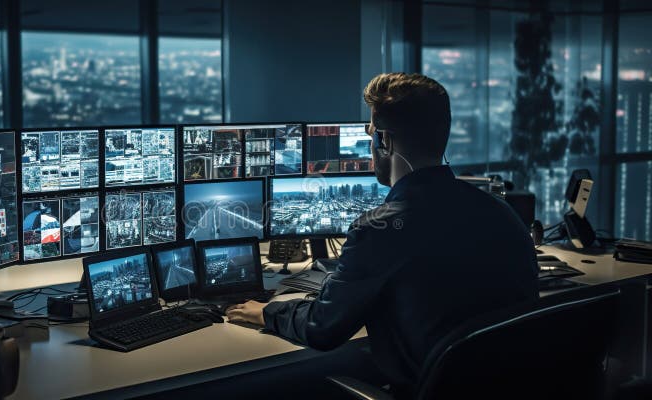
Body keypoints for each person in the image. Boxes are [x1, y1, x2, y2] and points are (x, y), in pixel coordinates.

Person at [227, 73, 539, 396]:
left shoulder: (378, 231)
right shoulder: (503, 215)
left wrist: (267, 311)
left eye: (372, 134)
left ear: (384, 142)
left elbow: (323, 327)